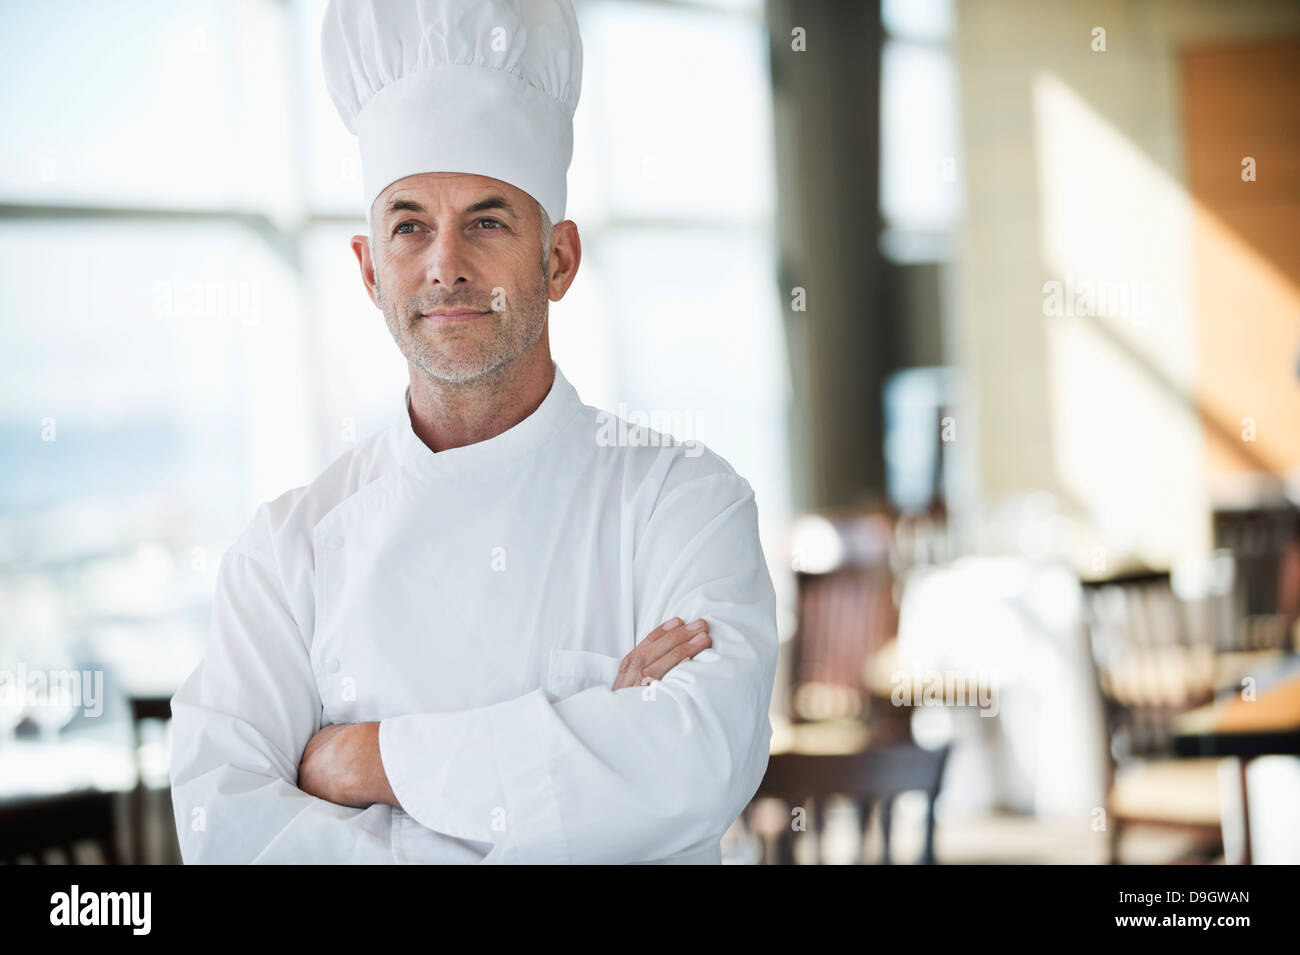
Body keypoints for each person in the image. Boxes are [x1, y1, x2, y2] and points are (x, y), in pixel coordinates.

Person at [168, 0, 778, 864]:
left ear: (557, 259)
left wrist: (368, 760)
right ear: (370, 266)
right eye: (409, 225)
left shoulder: (686, 502)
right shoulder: (286, 552)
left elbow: (696, 760)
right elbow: (223, 828)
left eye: (487, 222)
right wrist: (585, 753)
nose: (444, 263)